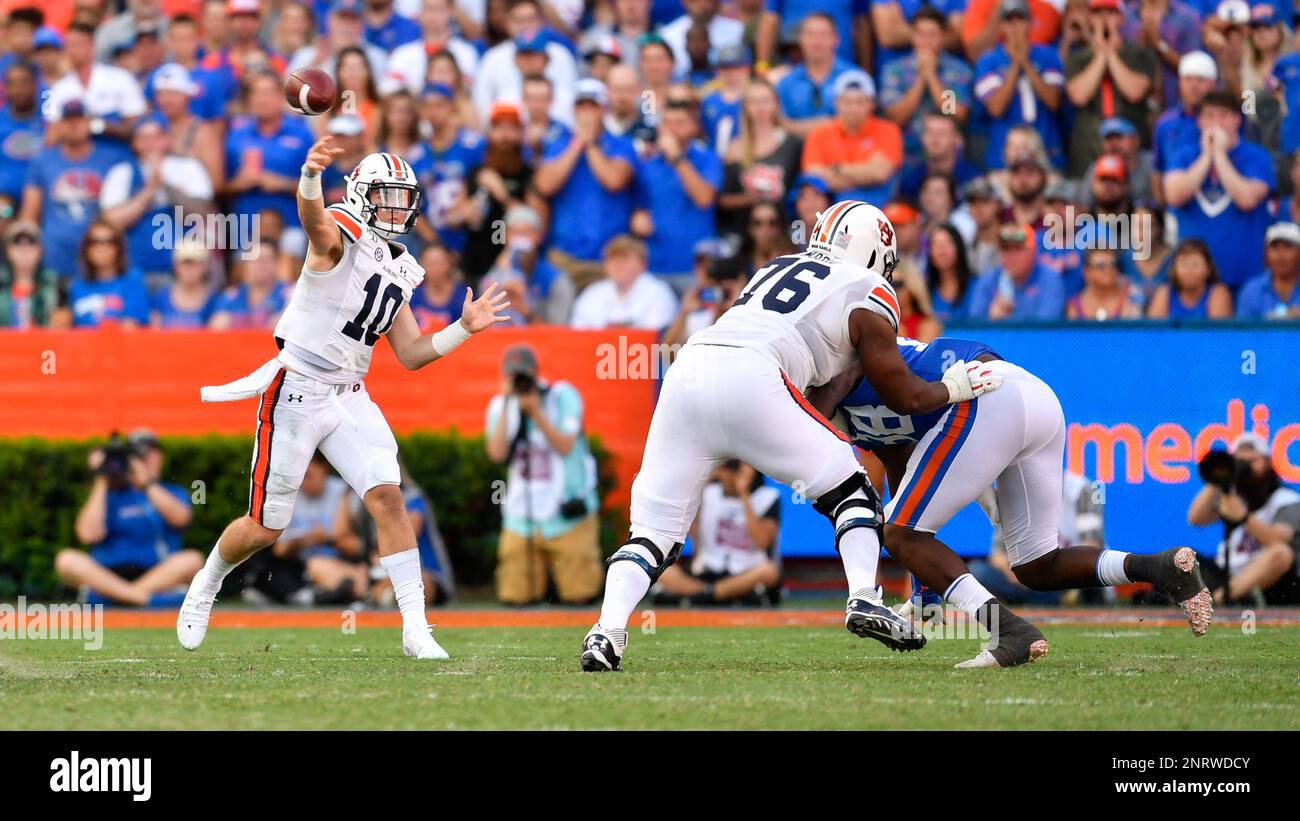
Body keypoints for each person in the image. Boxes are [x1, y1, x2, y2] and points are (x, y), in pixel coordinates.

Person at [581, 200, 1002, 672]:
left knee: (652, 535)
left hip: (690, 368)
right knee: (854, 490)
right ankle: (864, 595)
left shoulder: (777, 263)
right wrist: (953, 387)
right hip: (754, 376)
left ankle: (607, 632)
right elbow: (900, 393)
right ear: (876, 251)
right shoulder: (871, 287)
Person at [176, 137, 510, 661]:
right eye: (389, 196)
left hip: (350, 396)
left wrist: (463, 329)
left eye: (405, 198)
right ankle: (208, 580)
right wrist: (309, 176)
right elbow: (315, 223)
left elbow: (412, 353)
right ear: (360, 194)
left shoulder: (400, 264)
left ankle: (415, 627)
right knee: (265, 527)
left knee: (388, 498)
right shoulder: (339, 230)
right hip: (297, 389)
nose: (399, 208)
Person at [809, 335, 1214, 668]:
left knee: (896, 532)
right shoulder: (848, 404)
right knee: (1037, 565)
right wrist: (925, 592)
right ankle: (1160, 567)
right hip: (1034, 402)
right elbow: (904, 479)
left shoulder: (842, 365)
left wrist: (805, 419)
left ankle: (1010, 632)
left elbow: (843, 394)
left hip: (988, 393)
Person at [485, 345, 603, 605]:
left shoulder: (562, 397)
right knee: (516, 597)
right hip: (521, 516)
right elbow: (496, 453)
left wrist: (536, 412)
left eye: (524, 377)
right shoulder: (500, 406)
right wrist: (507, 402)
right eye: (514, 378)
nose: (521, 383)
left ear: (536, 374)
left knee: (580, 596)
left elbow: (565, 446)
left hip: (567, 512)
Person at [54, 429, 202, 607]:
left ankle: (112, 598)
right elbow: (88, 535)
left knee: (193, 559)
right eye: (137, 455)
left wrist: (146, 483)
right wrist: (102, 478)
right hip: (107, 573)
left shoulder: (172, 491)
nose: (145, 459)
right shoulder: (107, 494)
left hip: (158, 572)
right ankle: (143, 599)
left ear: (160, 457)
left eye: (149, 453)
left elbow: (181, 519)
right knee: (66, 560)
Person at [1164, 89, 1276, 292]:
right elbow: (1174, 196)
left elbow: (1247, 199)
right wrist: (1207, 157)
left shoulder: (1257, 157)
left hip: (1245, 278)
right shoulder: (1183, 155)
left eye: (1223, 115)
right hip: (1195, 283)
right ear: (1199, 121)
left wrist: (1220, 156)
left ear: (1237, 120)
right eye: (1209, 116)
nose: (1216, 123)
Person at [535, 78, 637, 293]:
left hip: (608, 258)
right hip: (564, 256)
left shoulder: (622, 145)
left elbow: (614, 181)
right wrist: (577, 145)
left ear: (604, 109)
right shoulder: (559, 144)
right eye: (582, 106)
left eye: (593, 106)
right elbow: (545, 185)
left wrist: (590, 145)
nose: (587, 113)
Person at [20, 100, 128, 280]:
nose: (74, 125)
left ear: (88, 123)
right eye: (68, 121)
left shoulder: (113, 158)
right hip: (54, 259)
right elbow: (29, 214)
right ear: (59, 125)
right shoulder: (44, 160)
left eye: (79, 120)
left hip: (100, 261)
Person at [100, 117, 214, 288]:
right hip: (133, 269)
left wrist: (164, 183)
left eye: (156, 137)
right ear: (135, 144)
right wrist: (150, 190)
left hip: (182, 269)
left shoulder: (188, 167)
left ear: (167, 139)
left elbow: (201, 212)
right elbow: (111, 222)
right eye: (144, 139)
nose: (151, 144)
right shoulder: (122, 172)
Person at [1189, 433, 1300, 605]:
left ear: (1268, 463)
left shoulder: (1285, 498)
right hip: (1225, 571)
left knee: (1282, 553)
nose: (1246, 467)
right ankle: (1216, 597)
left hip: (1266, 579)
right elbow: (1196, 518)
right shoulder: (1233, 495)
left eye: (1252, 461)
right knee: (1184, 556)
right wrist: (1219, 477)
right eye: (1240, 462)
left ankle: (1217, 601)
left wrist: (1244, 517)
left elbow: (1279, 540)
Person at [652, 460, 781, 605]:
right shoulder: (709, 492)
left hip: (745, 572)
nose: (732, 474)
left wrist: (743, 494)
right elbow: (687, 529)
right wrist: (710, 477)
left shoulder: (768, 497)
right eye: (729, 468)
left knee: (769, 571)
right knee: (662, 570)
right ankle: (716, 595)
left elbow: (762, 542)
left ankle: (696, 597)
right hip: (708, 571)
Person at [630, 91, 723, 290]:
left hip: (695, 268)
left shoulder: (708, 158)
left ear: (694, 127)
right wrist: (638, 220)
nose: (672, 130)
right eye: (667, 123)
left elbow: (704, 198)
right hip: (655, 265)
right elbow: (640, 207)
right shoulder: (648, 164)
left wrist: (677, 158)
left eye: (679, 123)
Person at [1062, 0, 1155, 177]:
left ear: (1121, 17)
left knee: (1136, 199)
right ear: (1089, 17)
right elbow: (1079, 95)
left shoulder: (1139, 54)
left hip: (1131, 144)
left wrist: (1111, 54)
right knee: (1077, 202)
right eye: (1097, 13)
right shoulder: (1078, 58)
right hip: (1089, 146)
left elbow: (1134, 91)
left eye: (1110, 13)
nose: (1104, 19)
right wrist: (1100, 55)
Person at [973, 0, 1064, 171]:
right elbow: (996, 108)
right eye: (1009, 21)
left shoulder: (1049, 56)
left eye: (1020, 20)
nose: (1015, 27)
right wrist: (1016, 65)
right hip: (1002, 154)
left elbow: (1053, 101)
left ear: (1030, 23)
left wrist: (1027, 64)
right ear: (1001, 27)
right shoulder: (988, 61)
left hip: (1046, 149)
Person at [800, 70, 903, 208]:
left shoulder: (888, 130)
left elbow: (880, 173)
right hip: (832, 208)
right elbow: (814, 178)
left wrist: (836, 169)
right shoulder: (819, 133)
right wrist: (867, 173)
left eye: (860, 102)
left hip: (880, 208)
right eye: (847, 102)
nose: (853, 108)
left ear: (871, 104)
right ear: (837, 103)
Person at [879, 8, 973, 156]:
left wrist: (932, 76)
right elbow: (896, 117)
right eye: (920, 34)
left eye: (932, 35)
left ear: (943, 36)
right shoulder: (894, 70)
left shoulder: (957, 70)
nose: (926, 41)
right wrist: (921, 80)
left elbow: (955, 113)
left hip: (947, 153)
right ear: (913, 36)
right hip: (907, 151)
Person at [569, 234, 678, 329]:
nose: (617, 265)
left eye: (624, 259)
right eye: (612, 258)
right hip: (595, 351)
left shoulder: (658, 293)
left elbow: (658, 341)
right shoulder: (592, 292)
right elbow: (578, 334)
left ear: (643, 264)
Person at [773, 13, 855, 136]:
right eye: (810, 35)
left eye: (823, 35)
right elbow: (780, 124)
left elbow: (857, 123)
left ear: (836, 39)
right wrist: (830, 123)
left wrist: (796, 127)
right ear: (800, 39)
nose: (817, 41)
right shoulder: (785, 83)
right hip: (797, 151)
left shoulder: (854, 78)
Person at [966, 222, 1066, 320]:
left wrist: (1008, 323)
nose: (1011, 256)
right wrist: (991, 320)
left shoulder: (1050, 280)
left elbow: (1047, 330)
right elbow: (974, 325)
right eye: (1005, 249)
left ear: (1034, 251)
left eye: (1018, 248)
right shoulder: (988, 281)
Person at [68, 218, 150, 328]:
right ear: (86, 248)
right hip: (83, 344)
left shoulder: (132, 280)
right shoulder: (77, 286)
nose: (101, 248)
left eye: (109, 242)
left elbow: (132, 326)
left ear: (119, 248)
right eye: (94, 242)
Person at [1146, 237, 1235, 320]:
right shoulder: (1165, 292)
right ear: (1174, 269)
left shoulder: (1218, 292)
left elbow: (1218, 333)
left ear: (1208, 269)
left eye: (1195, 264)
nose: (1189, 271)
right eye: (1183, 264)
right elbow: (1154, 332)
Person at [0, 220, 65, 328]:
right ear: (7, 250)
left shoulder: (58, 286)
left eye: (31, 242)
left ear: (41, 249)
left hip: (45, 343)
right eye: (17, 242)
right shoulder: (2, 285)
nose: (24, 249)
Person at [1235, 222, 1300, 319]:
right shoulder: (1251, 291)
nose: (1280, 256)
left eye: (1288, 247)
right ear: (1265, 253)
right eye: (1274, 247)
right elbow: (1243, 332)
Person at [1065, 247, 1144, 320]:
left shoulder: (1130, 299)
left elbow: (1133, 333)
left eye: (1113, 264)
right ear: (1086, 272)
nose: (1108, 269)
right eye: (1101, 266)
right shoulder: (1075, 306)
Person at [151, 242, 216, 328]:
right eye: (185, 263)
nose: (189, 269)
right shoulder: (160, 298)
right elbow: (154, 334)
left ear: (205, 266)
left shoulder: (214, 301)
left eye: (195, 263)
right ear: (176, 266)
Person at [925, 221, 976, 323]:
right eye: (936, 245)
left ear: (958, 247)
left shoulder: (976, 286)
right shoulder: (924, 290)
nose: (942, 251)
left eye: (947, 243)